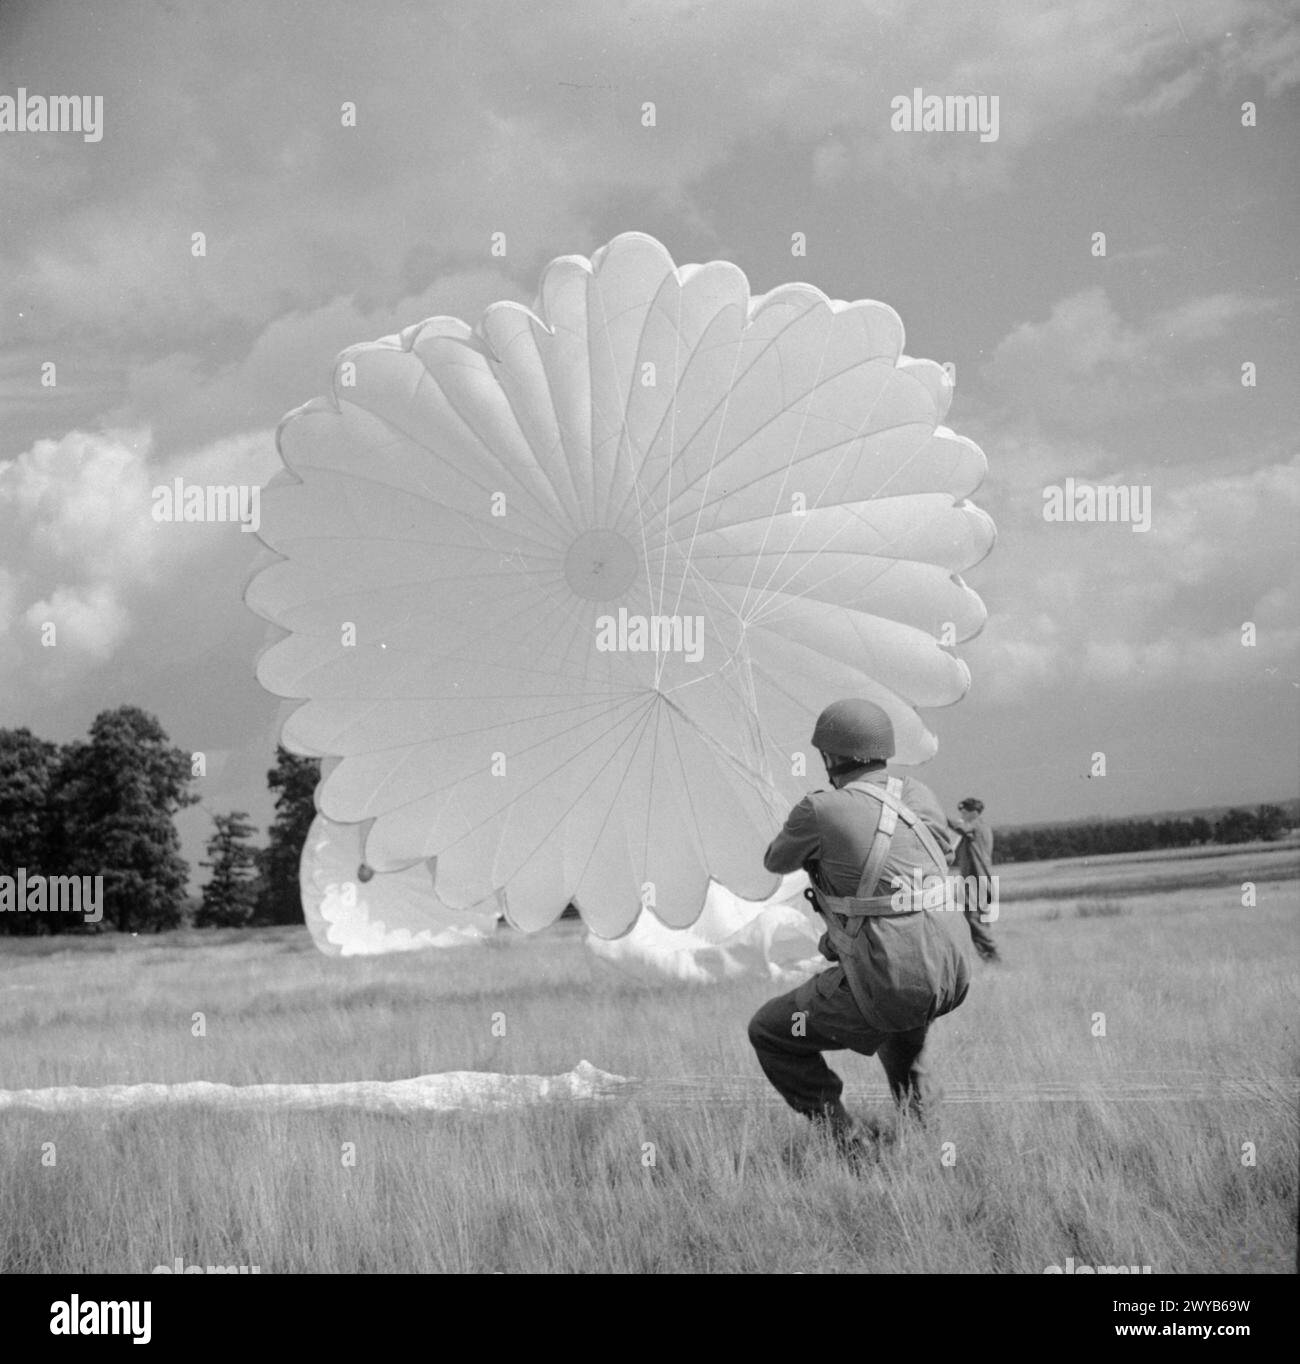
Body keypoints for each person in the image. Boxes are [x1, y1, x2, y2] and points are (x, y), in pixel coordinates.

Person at [748, 699, 971, 1156]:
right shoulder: (918, 794)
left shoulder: (820, 808)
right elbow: (940, 853)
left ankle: (850, 1144)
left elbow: (776, 860)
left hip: (883, 976)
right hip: (943, 970)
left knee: (770, 1032)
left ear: (830, 756)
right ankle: (926, 1145)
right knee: (902, 1047)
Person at [949, 797, 999, 963]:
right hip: (974, 882)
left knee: (973, 919)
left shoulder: (977, 826)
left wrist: (935, 816)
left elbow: (961, 827)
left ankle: (992, 956)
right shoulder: (975, 828)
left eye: (963, 811)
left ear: (973, 812)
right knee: (976, 920)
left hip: (978, 882)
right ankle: (989, 958)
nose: (961, 815)